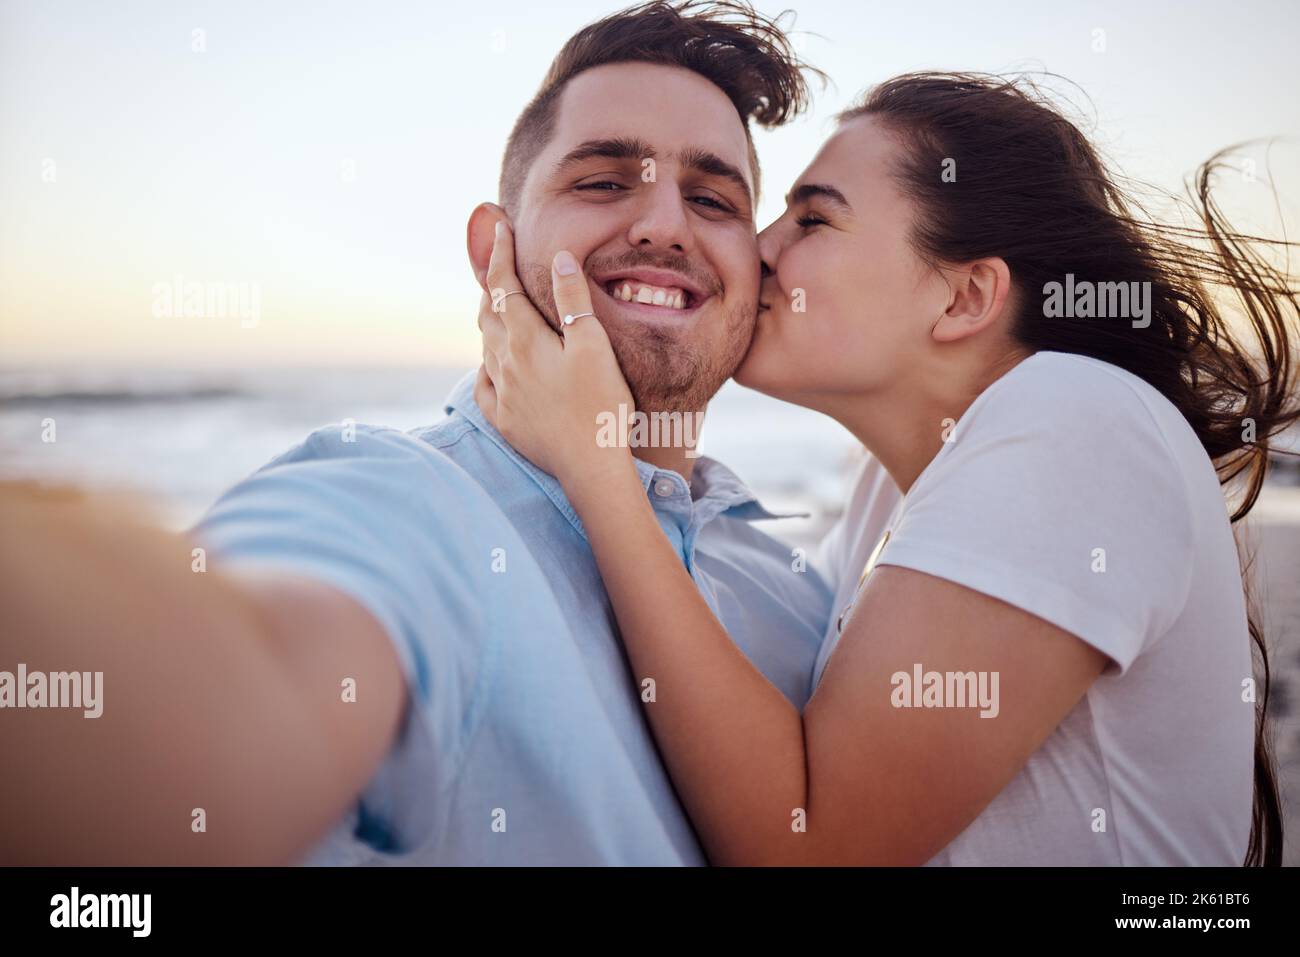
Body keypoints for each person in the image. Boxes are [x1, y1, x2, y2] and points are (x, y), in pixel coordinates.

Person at [0, 1, 830, 866]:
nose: (666, 225)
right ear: (493, 250)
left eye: (711, 198)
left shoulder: (801, 587)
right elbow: (226, 691)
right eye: (603, 181)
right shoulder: (396, 501)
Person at [475, 72, 1298, 865]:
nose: (758, 247)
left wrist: (593, 464)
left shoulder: (1077, 416)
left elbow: (808, 842)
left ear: (964, 298)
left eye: (813, 221)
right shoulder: (892, 487)